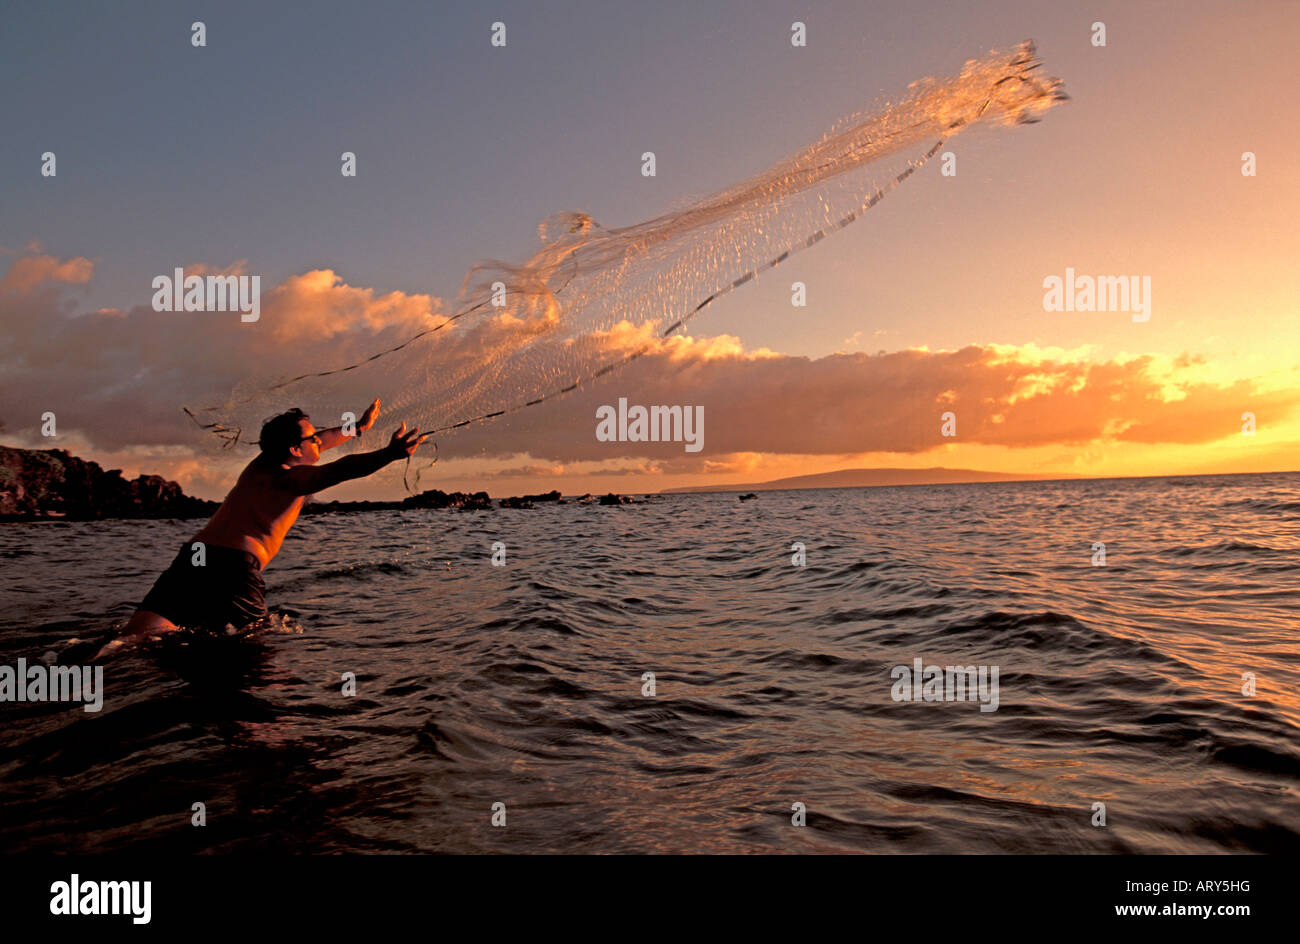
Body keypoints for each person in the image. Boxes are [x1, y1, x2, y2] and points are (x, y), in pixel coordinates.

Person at [96, 398, 428, 657]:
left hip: (194, 557)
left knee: (136, 639)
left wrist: (358, 427)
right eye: (312, 438)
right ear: (295, 450)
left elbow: (325, 441)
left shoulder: (259, 465)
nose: (320, 440)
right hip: (234, 569)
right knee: (255, 652)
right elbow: (341, 469)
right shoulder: (292, 480)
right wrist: (389, 453)